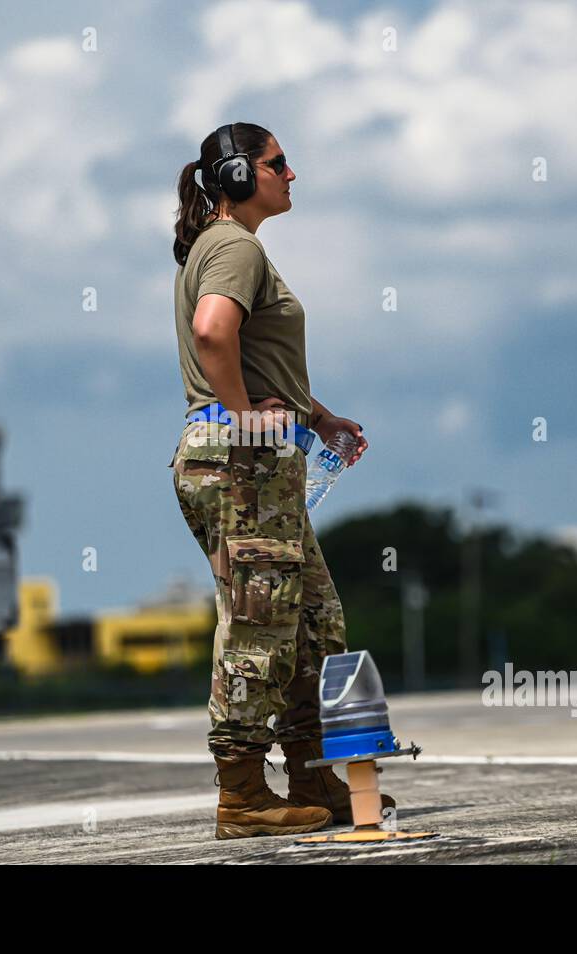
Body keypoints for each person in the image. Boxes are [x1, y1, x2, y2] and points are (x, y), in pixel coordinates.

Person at [168, 122, 394, 839]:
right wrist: (244, 421)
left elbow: (259, 359)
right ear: (238, 175)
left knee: (312, 623)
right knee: (260, 627)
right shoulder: (236, 245)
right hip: (243, 464)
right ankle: (241, 796)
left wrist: (317, 418)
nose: (290, 174)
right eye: (277, 163)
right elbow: (213, 333)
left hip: (257, 460)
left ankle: (311, 775)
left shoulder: (228, 246)